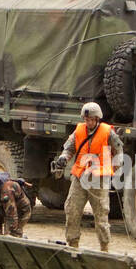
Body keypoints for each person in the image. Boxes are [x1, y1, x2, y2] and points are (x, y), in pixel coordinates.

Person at [53, 101, 124, 251]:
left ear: (97, 119)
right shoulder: (78, 131)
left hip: (99, 180)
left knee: (101, 216)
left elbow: (119, 152)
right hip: (80, 178)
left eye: (91, 119)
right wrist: (63, 158)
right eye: (86, 120)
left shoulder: (108, 132)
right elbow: (69, 148)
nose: (89, 122)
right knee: (72, 210)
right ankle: (73, 245)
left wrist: (114, 169)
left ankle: (104, 247)